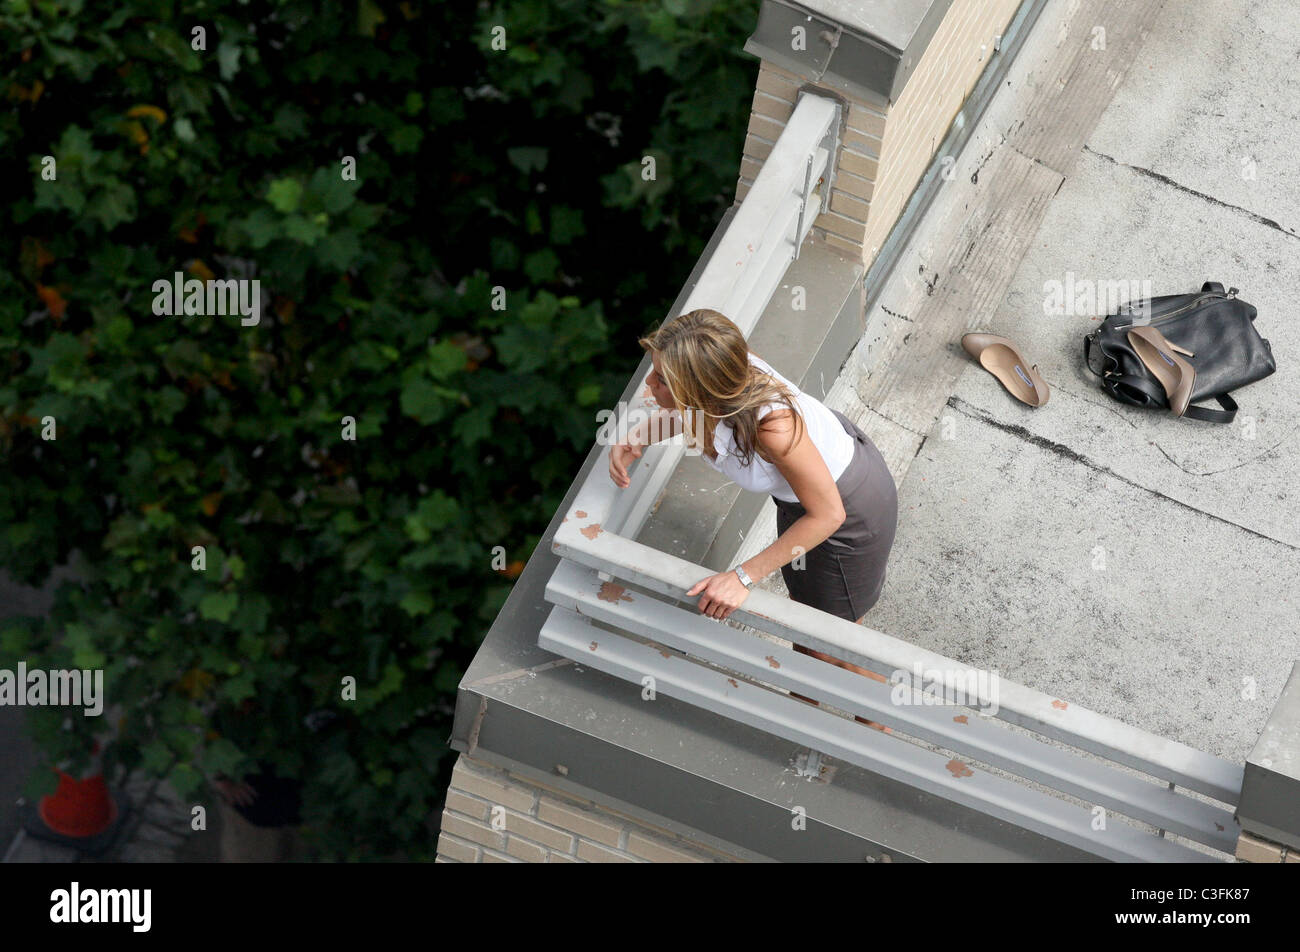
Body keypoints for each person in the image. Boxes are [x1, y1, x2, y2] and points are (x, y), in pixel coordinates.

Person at [608, 308, 899, 728]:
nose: (649, 386)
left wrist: (741, 577)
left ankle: (879, 729)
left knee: (831, 642)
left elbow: (829, 513)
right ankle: (802, 708)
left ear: (696, 388)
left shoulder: (774, 429)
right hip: (806, 498)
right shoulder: (722, 373)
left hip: (844, 514)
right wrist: (637, 437)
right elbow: (688, 412)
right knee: (810, 620)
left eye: (661, 381)